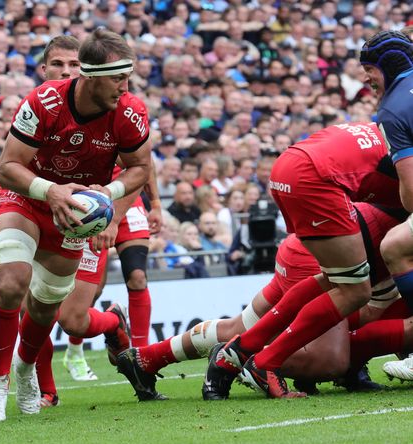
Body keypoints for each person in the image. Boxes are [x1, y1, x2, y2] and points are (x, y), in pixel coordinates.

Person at [0, 30, 152, 422]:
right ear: (90, 76)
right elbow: (7, 169)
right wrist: (51, 190)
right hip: (26, 197)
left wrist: (108, 192)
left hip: (75, 215)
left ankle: (25, 370)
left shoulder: (130, 110)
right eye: (118, 78)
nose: (125, 87)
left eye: (128, 77)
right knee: (10, 283)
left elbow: (141, 167)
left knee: (45, 308)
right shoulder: (44, 101)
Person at [115, 202, 404, 401]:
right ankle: (243, 356)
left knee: (242, 326)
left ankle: (147, 358)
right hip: (324, 254)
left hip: (311, 243)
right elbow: (369, 312)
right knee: (329, 360)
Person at [204, 122, 400, 398]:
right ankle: (264, 361)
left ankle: (239, 349)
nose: (367, 76)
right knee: (355, 294)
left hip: (294, 165)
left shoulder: (396, 107)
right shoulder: (402, 115)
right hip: (319, 183)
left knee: (336, 283)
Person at [361, 32, 413, 320]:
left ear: (389, 65)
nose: (366, 78)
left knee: (394, 247)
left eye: (369, 69)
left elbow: (412, 197)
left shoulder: (391, 110)